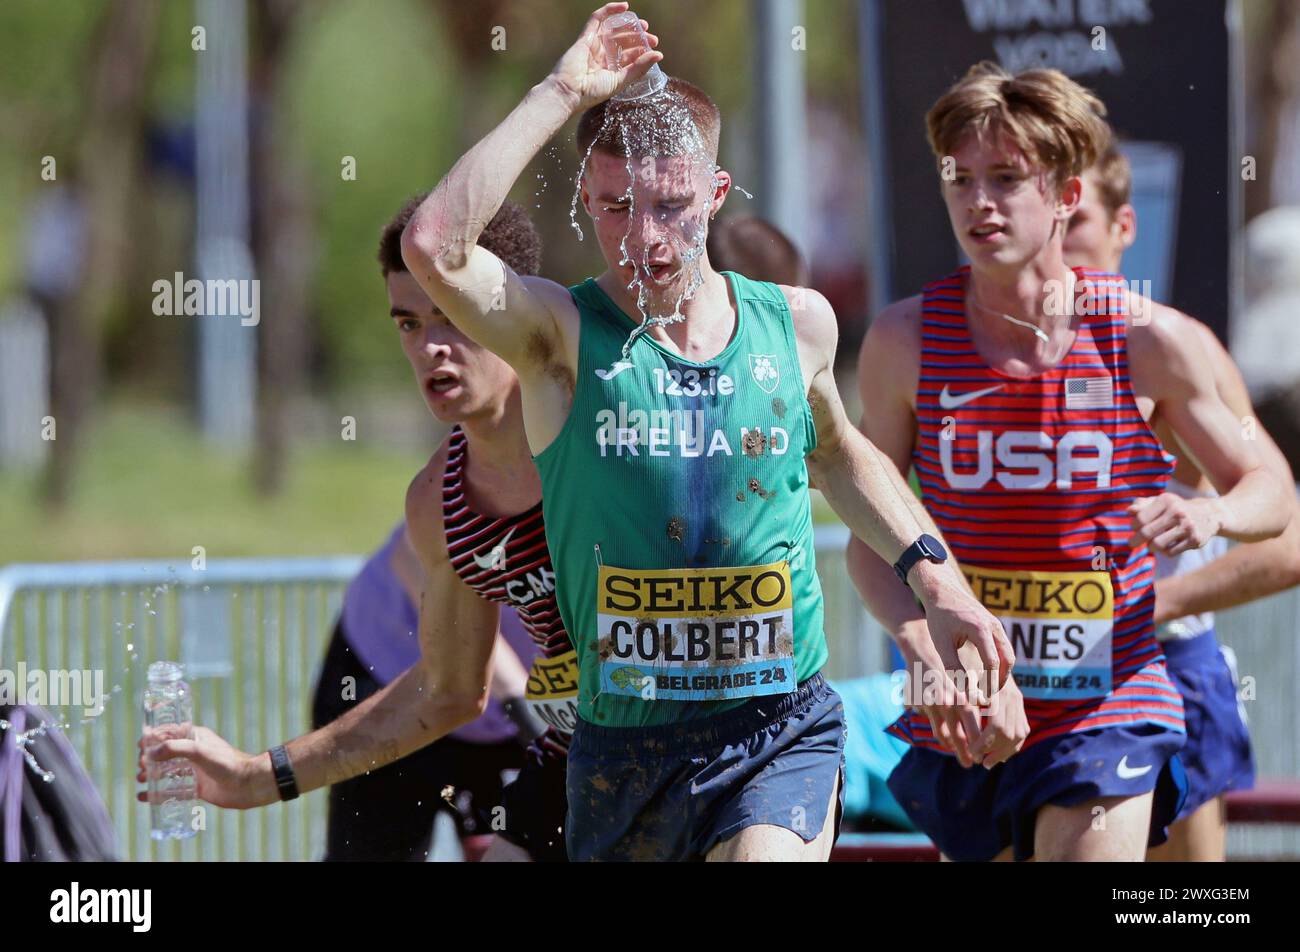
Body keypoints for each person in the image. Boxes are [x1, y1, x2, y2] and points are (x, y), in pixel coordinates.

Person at [399, 2, 1015, 862]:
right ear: (585, 200)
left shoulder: (797, 323)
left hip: (777, 730)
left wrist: (941, 585)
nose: (644, 239)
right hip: (623, 752)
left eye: (671, 207)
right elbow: (435, 244)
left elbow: (837, 453)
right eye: (615, 208)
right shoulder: (559, 342)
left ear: (717, 195)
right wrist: (563, 89)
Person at [846, 62, 1290, 861]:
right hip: (977, 700)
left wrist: (1212, 511)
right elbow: (869, 529)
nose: (979, 201)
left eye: (1008, 178)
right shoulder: (904, 341)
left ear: (1067, 196)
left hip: (1111, 692)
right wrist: (919, 642)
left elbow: (1272, 493)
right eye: (961, 179)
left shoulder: (1149, 339)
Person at [139, 199, 574, 862]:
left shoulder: (604, 426)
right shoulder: (438, 498)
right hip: (564, 741)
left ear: (510, 312)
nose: (429, 348)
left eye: (452, 317)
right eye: (408, 322)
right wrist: (260, 774)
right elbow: (453, 688)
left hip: (730, 736)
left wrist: (564, 89)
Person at [1062, 144, 1300, 861]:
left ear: (1124, 227)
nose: (1058, 240)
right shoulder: (981, 355)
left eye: (1078, 221)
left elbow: (1286, 540)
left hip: (1160, 669)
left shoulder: (1169, 353)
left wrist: (1147, 605)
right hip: (1031, 675)